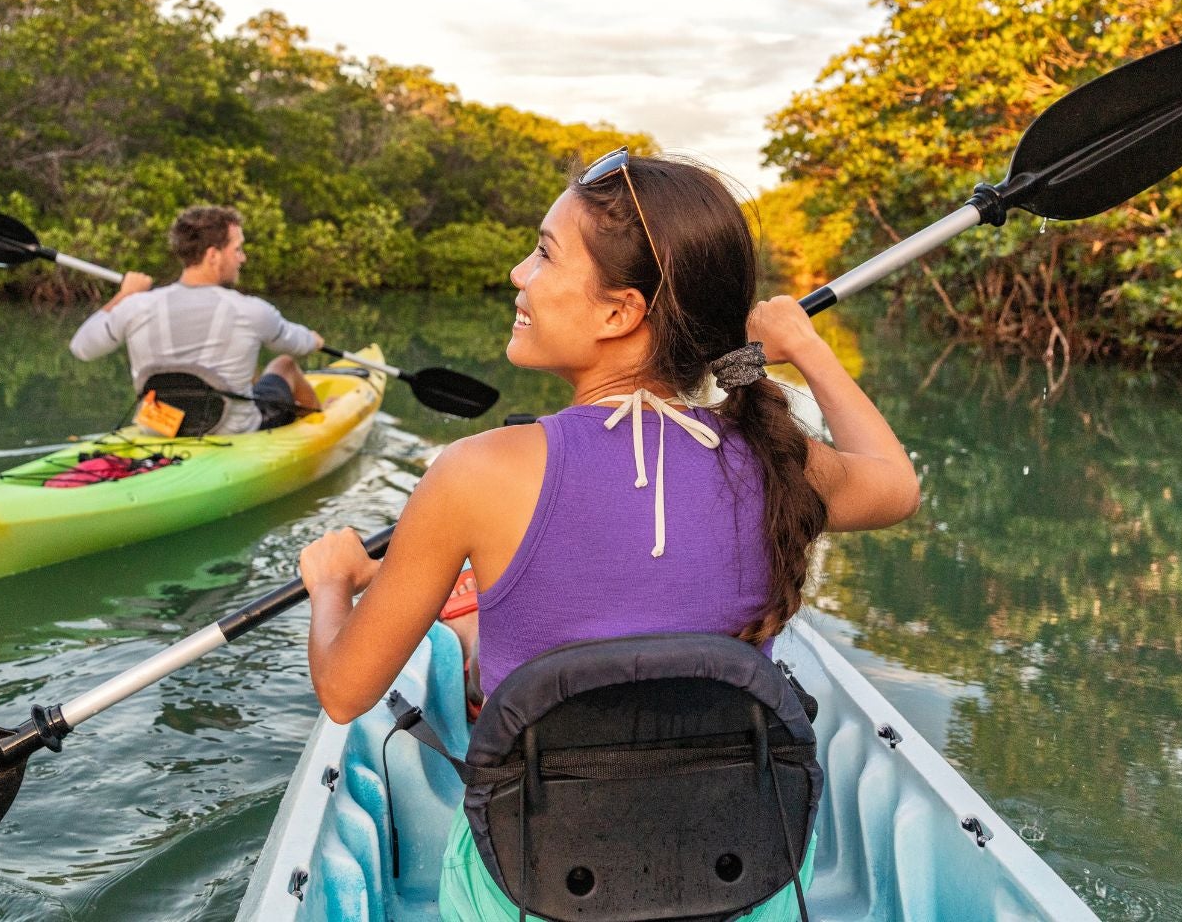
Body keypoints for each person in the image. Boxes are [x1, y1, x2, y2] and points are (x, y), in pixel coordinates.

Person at [296, 149, 921, 920]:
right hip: (736, 882)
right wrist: (803, 347)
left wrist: (331, 584)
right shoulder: (775, 457)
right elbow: (895, 484)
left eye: (545, 254)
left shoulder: (476, 471)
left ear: (620, 311)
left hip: (537, 890)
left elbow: (345, 690)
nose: (520, 275)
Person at [69, 205, 325, 433]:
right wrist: (314, 340)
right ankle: (322, 420)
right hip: (231, 431)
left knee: (250, 375)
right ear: (213, 255)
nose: (242, 258)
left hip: (158, 429)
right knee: (284, 365)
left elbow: (82, 347)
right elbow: (298, 344)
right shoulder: (251, 310)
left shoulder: (136, 305)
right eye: (237, 249)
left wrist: (123, 295)